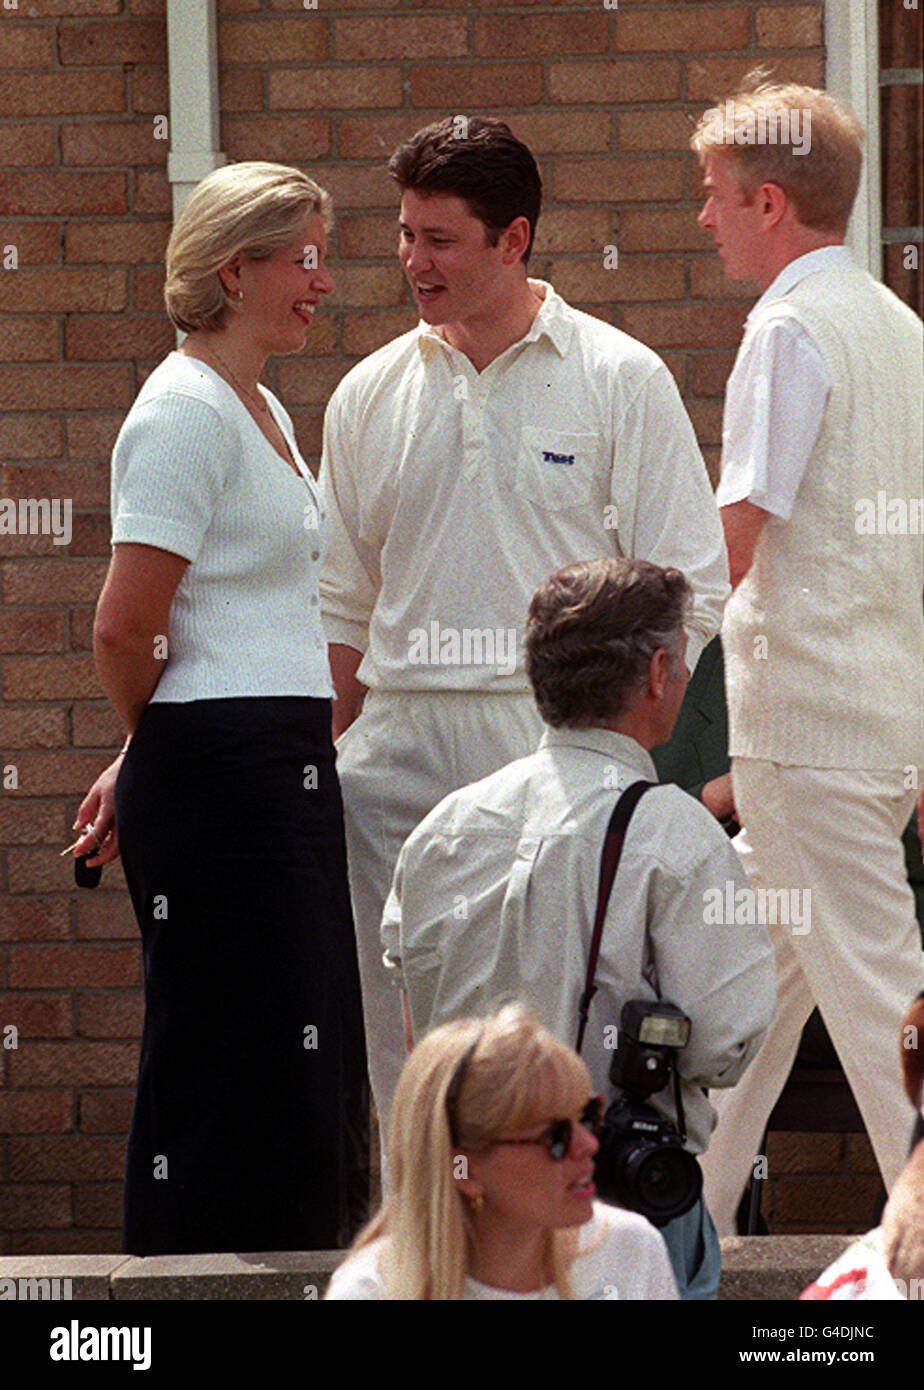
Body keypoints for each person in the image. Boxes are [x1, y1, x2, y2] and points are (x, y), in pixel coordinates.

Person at [320, 116, 731, 1147]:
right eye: (405, 234)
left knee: (556, 1039)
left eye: (441, 239)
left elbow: (692, 584)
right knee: (401, 1053)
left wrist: (613, 740)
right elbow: (336, 604)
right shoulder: (367, 393)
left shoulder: (620, 378)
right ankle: (426, 1254)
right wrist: (335, 756)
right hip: (393, 760)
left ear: (515, 240)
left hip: (552, 747)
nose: (414, 261)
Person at [69, 161, 367, 1255]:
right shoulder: (184, 412)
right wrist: (163, 749)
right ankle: (194, 1289)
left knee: (304, 1047)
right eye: (303, 258)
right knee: (232, 1052)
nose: (322, 281)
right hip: (227, 775)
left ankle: (295, 1268)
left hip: (271, 761)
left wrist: (146, 748)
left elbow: (214, 627)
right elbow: (122, 626)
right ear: (235, 272)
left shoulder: (264, 405)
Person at [381, 558, 776, 1298]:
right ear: (658, 671)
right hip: (616, 1204)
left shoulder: (439, 832)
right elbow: (728, 1041)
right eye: (683, 664)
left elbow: (416, 1020)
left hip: (459, 1212)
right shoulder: (676, 833)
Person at [690, 78, 924, 1236]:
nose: (703, 218)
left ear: (769, 201)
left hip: (805, 737)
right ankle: (675, 1223)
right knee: (742, 991)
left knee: (884, 1010)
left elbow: (735, 538)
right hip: (869, 735)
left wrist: (626, 676)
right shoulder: (901, 330)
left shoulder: (787, 329)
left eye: (715, 196)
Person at [325, 1003, 679, 1300]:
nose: (589, 1145)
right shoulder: (370, 1292)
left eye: (586, 1118)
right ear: (462, 1170)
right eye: (554, 1136)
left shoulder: (633, 1251)